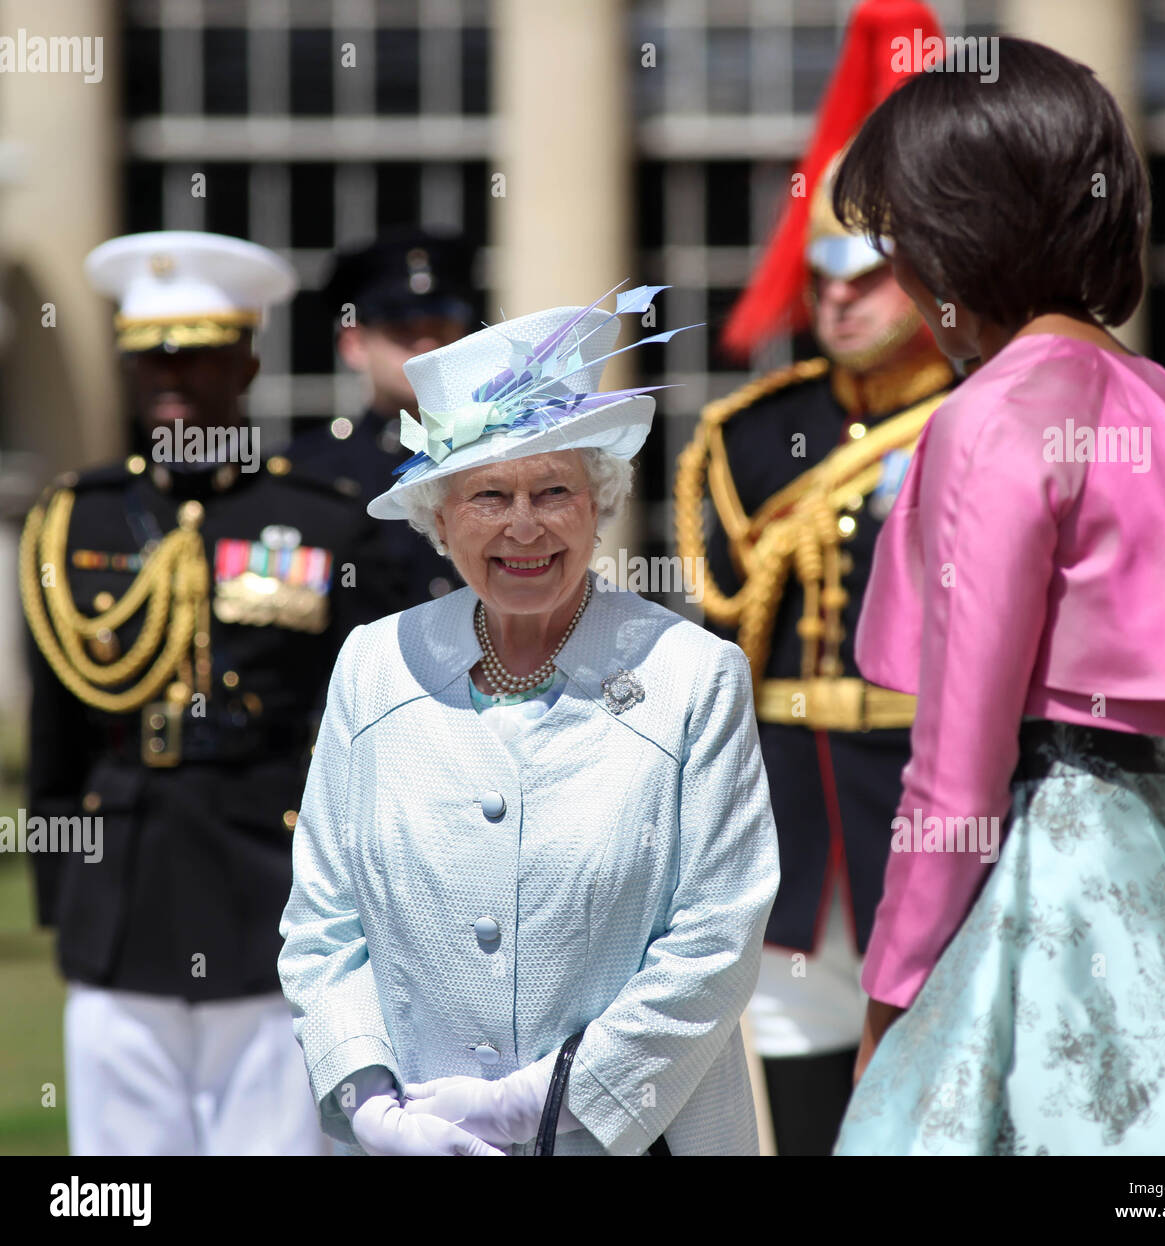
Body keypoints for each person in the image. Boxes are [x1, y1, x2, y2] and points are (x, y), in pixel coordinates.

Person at [831, 38, 1165, 1155]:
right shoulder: (1154, 394)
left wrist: (891, 998)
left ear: (954, 233)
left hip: (1038, 877)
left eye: (896, 238)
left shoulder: (991, 414)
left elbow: (957, 772)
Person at [278, 287, 781, 1156]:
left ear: (600, 502)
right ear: (440, 517)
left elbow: (716, 941)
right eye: (487, 497)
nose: (523, 528)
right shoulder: (372, 664)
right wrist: (368, 1106)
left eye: (554, 489)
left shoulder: (695, 677)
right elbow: (324, 924)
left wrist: (537, 1106)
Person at [21, 229, 378, 1155]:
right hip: (122, 896)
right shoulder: (75, 521)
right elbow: (59, 736)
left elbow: (354, 729)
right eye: (153, 360)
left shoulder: (316, 520)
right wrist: (66, 894)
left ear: (247, 364)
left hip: (267, 888)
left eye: (198, 357)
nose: (172, 380)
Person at [674, 0, 950, 1155]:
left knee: (936, 1094)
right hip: (789, 811)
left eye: (870, 266)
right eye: (822, 262)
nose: (835, 290)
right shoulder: (754, 432)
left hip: (928, 806)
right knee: (795, 1081)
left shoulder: (977, 421)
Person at [287, 227, 477, 613]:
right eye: (403, 331)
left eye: (440, 328)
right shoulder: (306, 474)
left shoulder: (505, 456)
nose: (426, 345)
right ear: (354, 344)